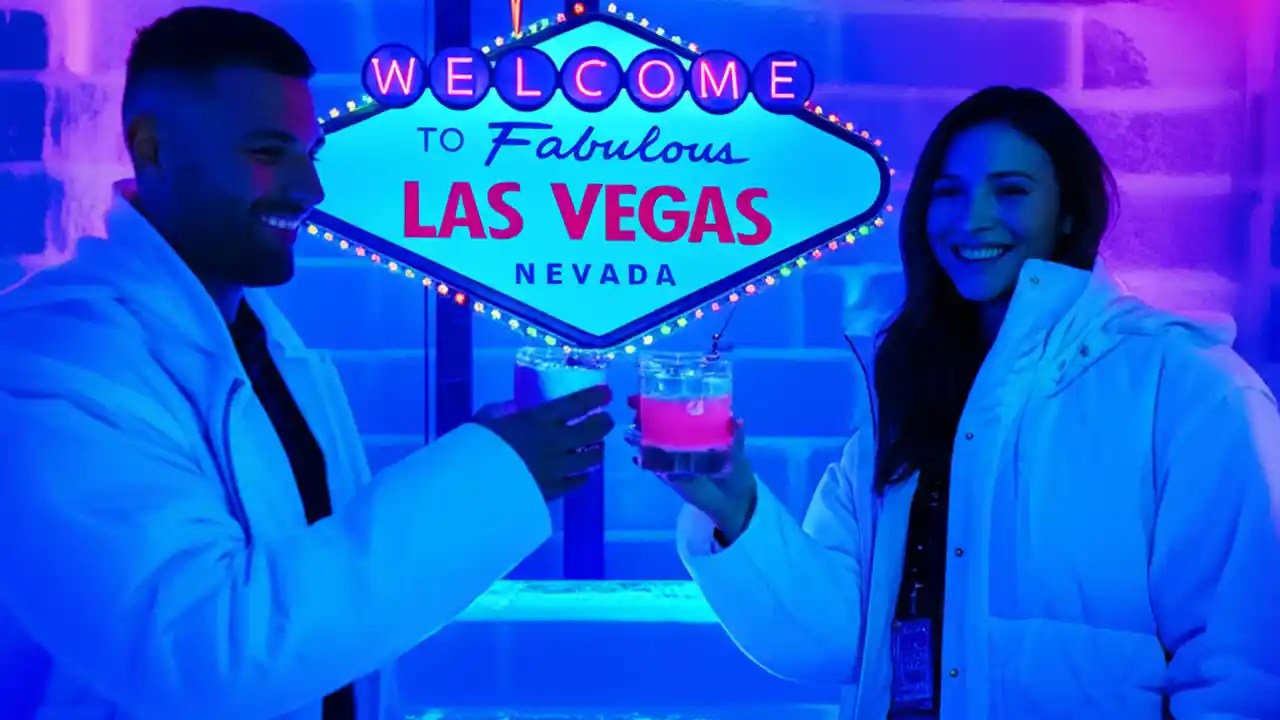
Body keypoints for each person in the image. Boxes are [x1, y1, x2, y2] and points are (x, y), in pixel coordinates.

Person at [0, 7, 613, 719]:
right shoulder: (49, 365)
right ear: (153, 150)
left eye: (309, 153)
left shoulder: (273, 349)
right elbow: (203, 653)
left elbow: (325, 631)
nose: (309, 190)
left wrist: (490, 469)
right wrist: (489, 476)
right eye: (268, 152)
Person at [641, 87, 1280, 718]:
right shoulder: (908, 392)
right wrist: (736, 510)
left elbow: (1244, 665)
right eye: (948, 192)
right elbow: (836, 641)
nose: (971, 218)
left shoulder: (1185, 386)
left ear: (1068, 212)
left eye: (1011, 191)